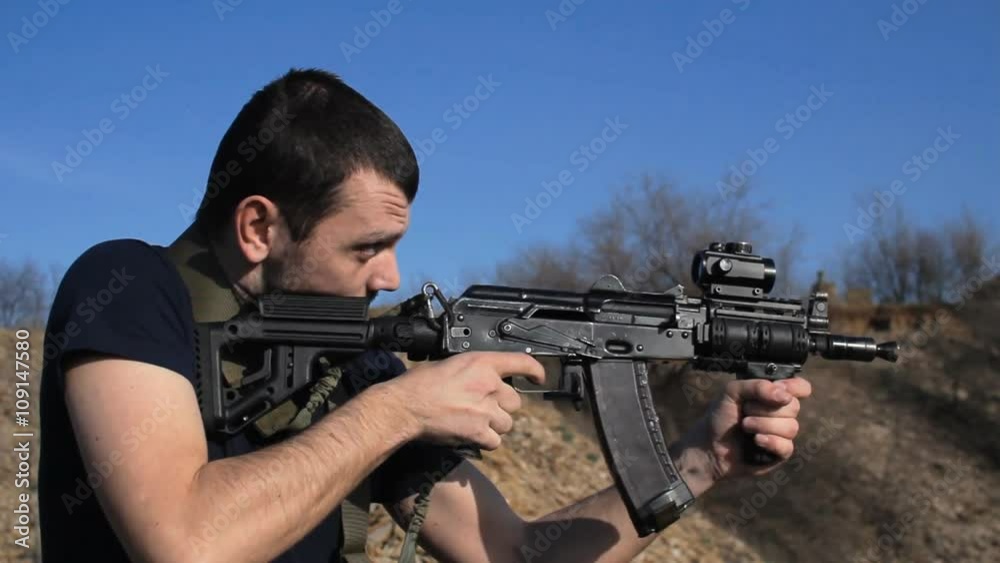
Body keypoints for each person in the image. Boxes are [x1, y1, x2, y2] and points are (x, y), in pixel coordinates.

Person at [38, 68, 812, 563]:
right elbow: (182, 541)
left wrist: (700, 461)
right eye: (367, 246)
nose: (391, 276)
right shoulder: (128, 285)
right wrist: (397, 410)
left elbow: (516, 554)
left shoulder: (351, 368)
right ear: (258, 227)